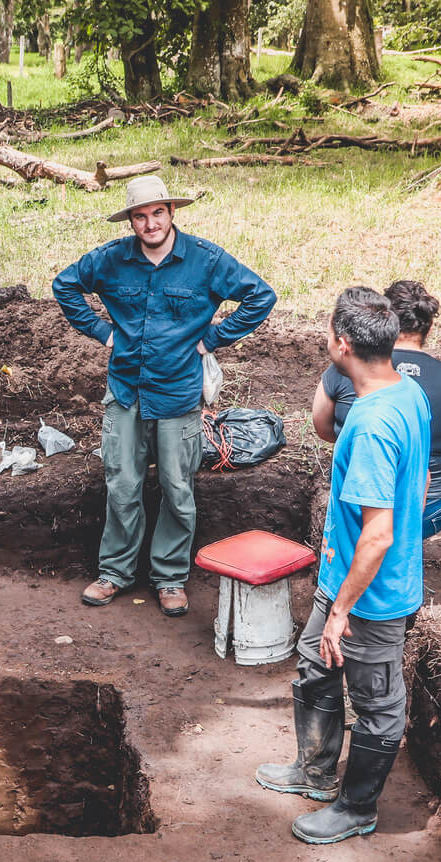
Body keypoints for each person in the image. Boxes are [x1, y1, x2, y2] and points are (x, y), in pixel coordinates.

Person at [52, 176, 277, 617]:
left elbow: (260, 296)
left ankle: (169, 577)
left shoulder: (206, 260)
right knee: (122, 484)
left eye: (158, 213)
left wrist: (213, 338)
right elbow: (65, 285)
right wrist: (102, 333)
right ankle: (114, 572)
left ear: (172, 213)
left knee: (177, 488)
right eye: (140, 216)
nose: (150, 223)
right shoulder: (112, 259)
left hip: (177, 393)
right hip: (125, 391)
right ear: (132, 220)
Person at [255, 287, 430, 845]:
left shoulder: (373, 425)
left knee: (377, 702)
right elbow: (419, 486)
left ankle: (356, 809)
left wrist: (341, 610)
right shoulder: (408, 391)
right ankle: (313, 769)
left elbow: (377, 536)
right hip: (344, 579)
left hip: (371, 596)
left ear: (342, 342)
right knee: (316, 665)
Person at [312, 280, 441, 538]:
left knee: (376, 536)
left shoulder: (347, 367)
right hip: (435, 503)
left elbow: (324, 428)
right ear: (428, 329)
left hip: (360, 497)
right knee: (388, 536)